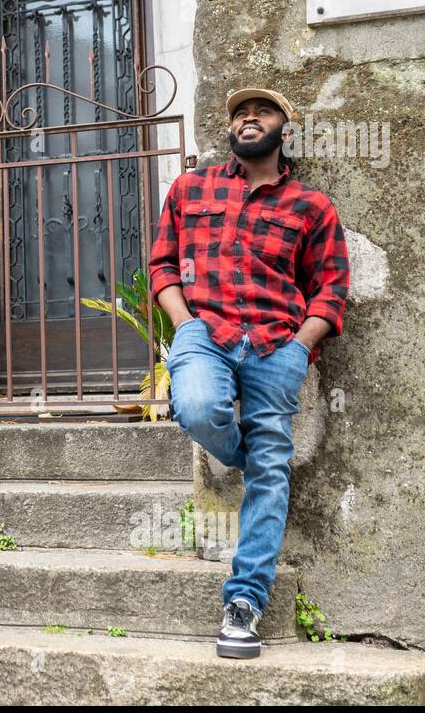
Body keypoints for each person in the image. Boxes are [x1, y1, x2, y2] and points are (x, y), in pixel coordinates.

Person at [147, 87, 350, 659]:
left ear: (286, 128)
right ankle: (243, 454)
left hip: (273, 347)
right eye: (240, 112)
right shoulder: (191, 188)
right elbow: (162, 264)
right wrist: (184, 325)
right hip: (203, 337)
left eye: (262, 112)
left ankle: (244, 603)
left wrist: (297, 351)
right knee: (197, 408)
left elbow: (331, 288)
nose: (248, 118)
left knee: (271, 469)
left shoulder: (312, 206)